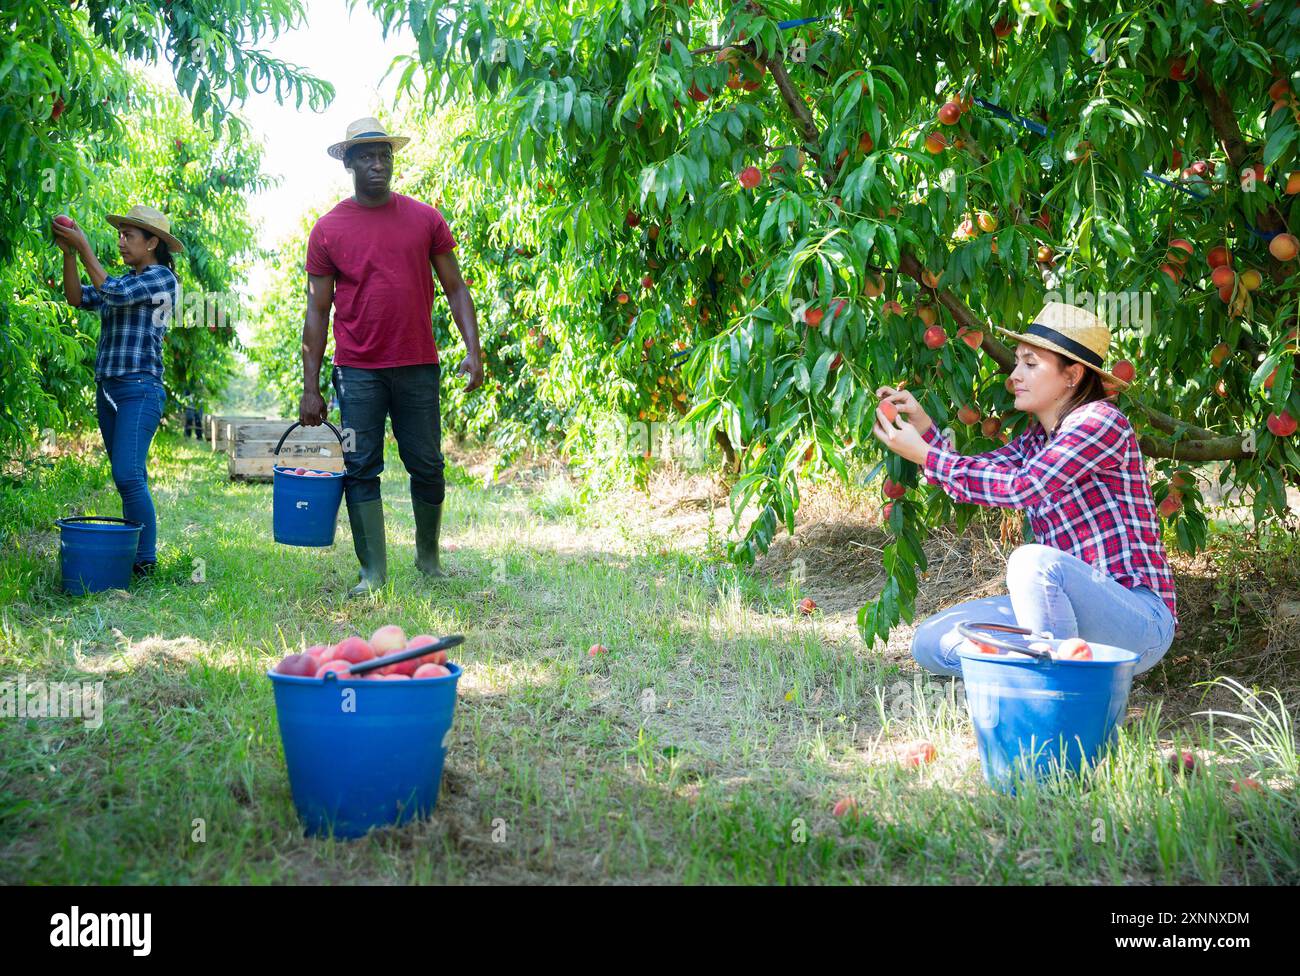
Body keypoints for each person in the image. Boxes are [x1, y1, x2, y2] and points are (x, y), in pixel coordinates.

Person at [872, 301, 1178, 676]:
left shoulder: (1100, 421)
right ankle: (1044, 663)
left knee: (1031, 562)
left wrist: (925, 456)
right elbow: (979, 476)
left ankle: (1056, 687)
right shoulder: (1036, 440)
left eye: (1030, 364)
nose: (1014, 375)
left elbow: (1023, 488)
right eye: (1017, 361)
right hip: (1063, 614)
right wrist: (923, 429)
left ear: (1073, 375)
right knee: (932, 640)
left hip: (1137, 620)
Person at [299, 117, 484, 597]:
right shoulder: (328, 229)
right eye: (366, 156)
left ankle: (429, 560)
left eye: (385, 156)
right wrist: (311, 387)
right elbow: (317, 313)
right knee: (361, 464)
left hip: (418, 365)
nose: (378, 164)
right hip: (357, 372)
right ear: (349, 163)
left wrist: (473, 351)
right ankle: (373, 573)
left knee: (427, 463)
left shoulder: (426, 219)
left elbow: (456, 287)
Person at [53, 205, 182, 578]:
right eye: (120, 234)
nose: (121, 241)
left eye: (129, 235)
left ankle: (146, 559)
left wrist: (84, 244)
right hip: (109, 388)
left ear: (153, 242)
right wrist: (71, 254)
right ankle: (134, 556)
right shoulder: (126, 279)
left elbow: (112, 290)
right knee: (125, 475)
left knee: (128, 475)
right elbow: (78, 297)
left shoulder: (161, 279)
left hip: (139, 389)